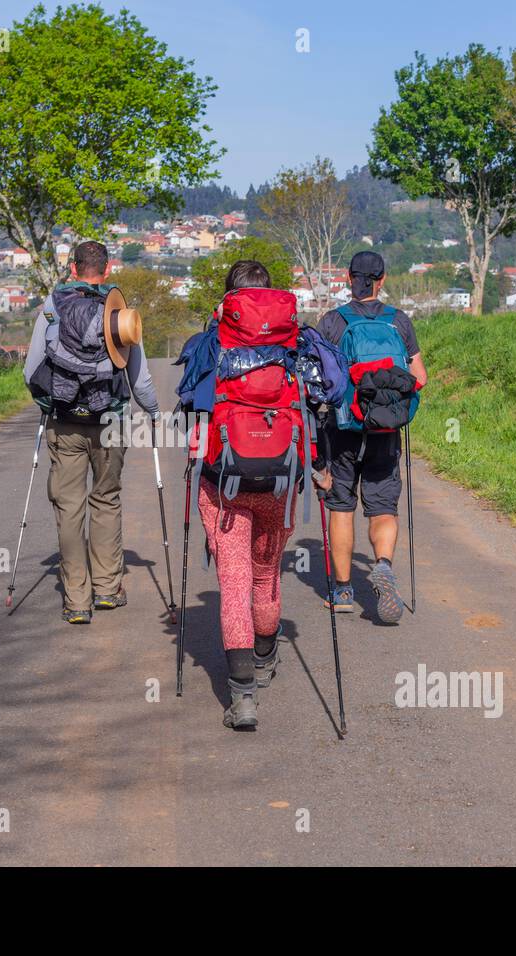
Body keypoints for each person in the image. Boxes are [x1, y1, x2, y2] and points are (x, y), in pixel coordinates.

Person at [184, 260, 320, 730]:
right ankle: (264, 656)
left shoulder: (211, 342)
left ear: (229, 300)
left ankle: (242, 698)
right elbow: (328, 394)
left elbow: (192, 409)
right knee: (267, 577)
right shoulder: (297, 341)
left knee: (235, 583)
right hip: (282, 479)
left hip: (223, 482)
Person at [23, 240, 159, 624]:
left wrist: (47, 403)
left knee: (69, 507)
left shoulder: (53, 307)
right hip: (110, 419)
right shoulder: (120, 314)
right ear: (108, 269)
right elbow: (140, 377)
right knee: (106, 499)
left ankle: (77, 600)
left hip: (65, 420)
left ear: (73, 269)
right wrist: (152, 412)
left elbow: (31, 368)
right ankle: (107, 589)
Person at [312, 251, 426, 623]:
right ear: (383, 279)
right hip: (385, 429)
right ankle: (383, 564)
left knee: (341, 506)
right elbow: (419, 377)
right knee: (383, 506)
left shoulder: (332, 322)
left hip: (343, 430)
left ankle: (343, 590)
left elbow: (318, 383)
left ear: (348, 278)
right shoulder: (399, 321)